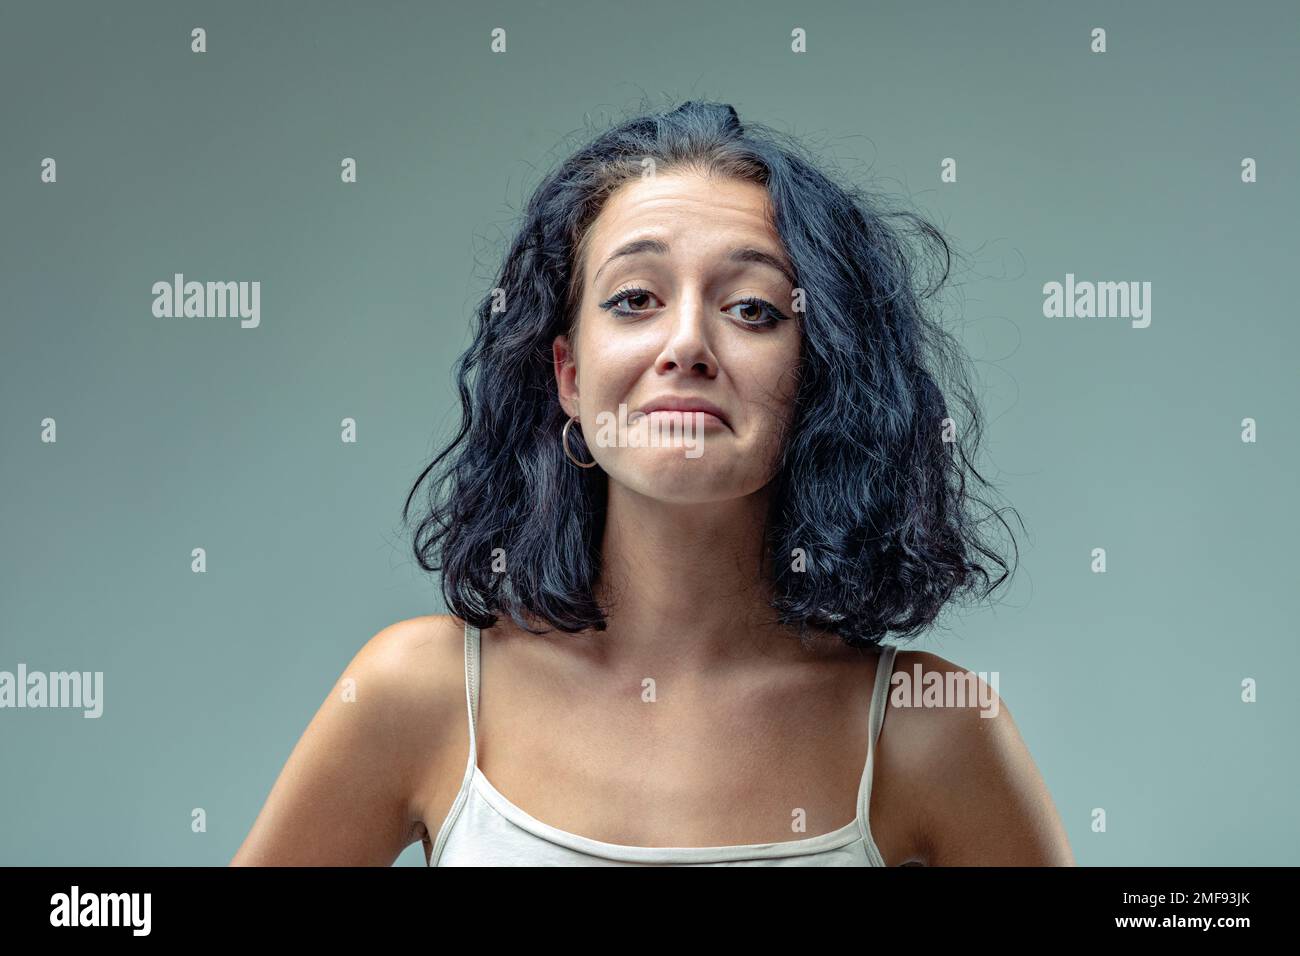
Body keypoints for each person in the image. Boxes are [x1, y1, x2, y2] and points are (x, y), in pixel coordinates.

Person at [232, 101, 1074, 866]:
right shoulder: (418, 691)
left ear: (820, 378)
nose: (687, 346)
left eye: (753, 309)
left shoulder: (932, 727)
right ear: (568, 375)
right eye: (635, 299)